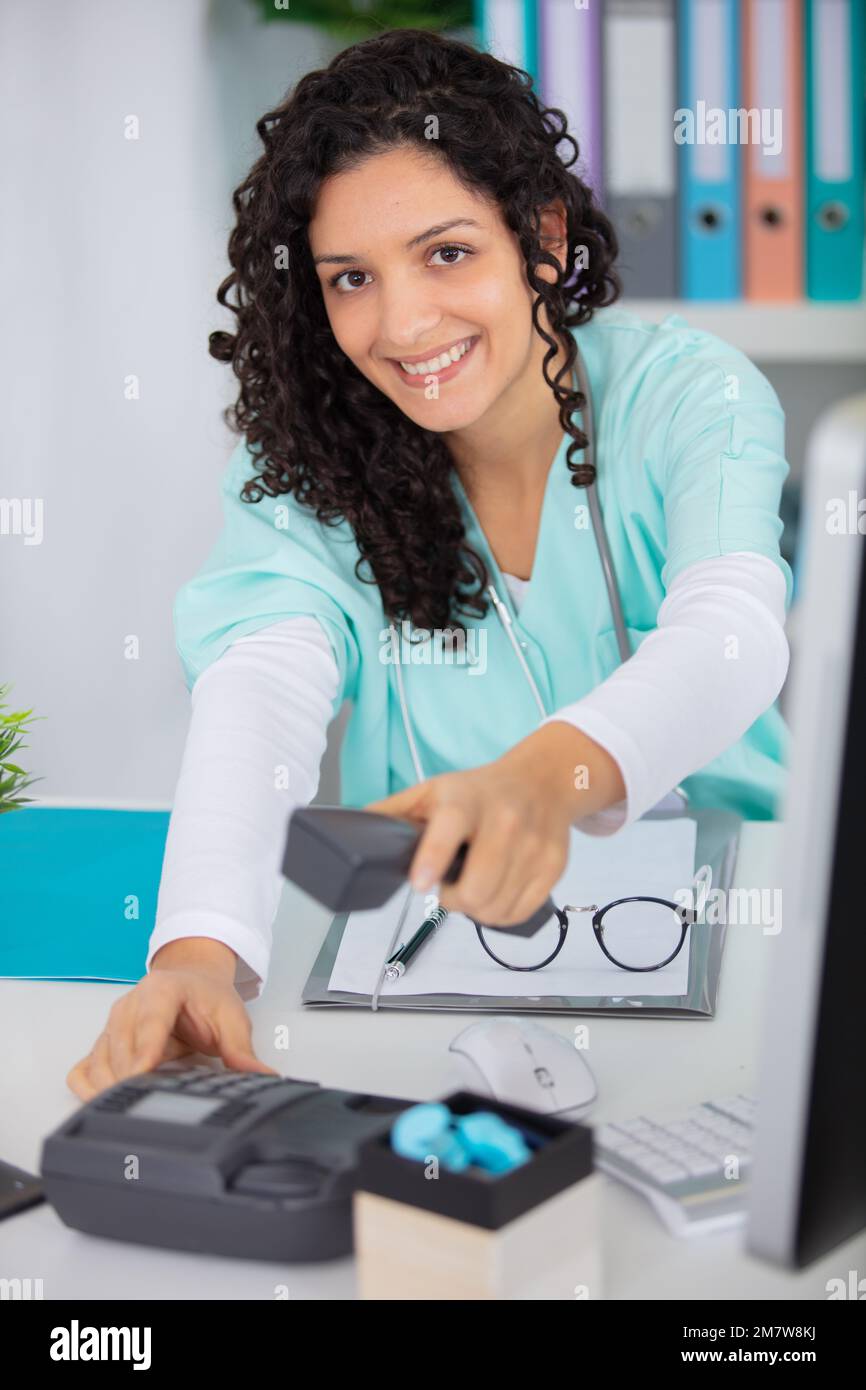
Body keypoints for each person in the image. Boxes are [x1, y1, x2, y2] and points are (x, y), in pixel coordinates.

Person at [67, 28, 791, 1100]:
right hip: (429, 980)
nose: (403, 323)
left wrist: (542, 786)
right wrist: (195, 953)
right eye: (349, 277)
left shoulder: (691, 398)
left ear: (539, 239)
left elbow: (731, 634)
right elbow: (260, 687)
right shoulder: (310, 459)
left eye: (445, 253)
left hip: (733, 955)